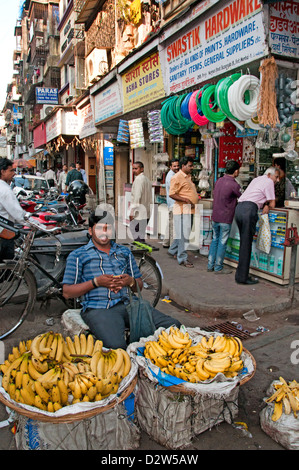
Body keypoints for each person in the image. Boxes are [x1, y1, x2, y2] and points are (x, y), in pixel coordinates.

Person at [62, 209, 181, 349]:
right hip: (98, 309)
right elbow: (67, 292)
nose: (104, 232)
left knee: (174, 327)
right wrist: (96, 282)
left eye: (108, 228)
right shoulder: (78, 256)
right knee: (117, 347)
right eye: (99, 227)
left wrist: (129, 281)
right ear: (90, 231)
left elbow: (139, 285)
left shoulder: (124, 252)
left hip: (129, 304)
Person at [234, 166, 279, 285]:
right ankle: (242, 277)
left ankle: (240, 275)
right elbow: (273, 203)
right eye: (276, 177)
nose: (277, 180)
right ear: (269, 175)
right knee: (246, 244)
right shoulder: (269, 181)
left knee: (244, 243)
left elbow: (259, 194)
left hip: (239, 209)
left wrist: (265, 203)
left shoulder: (256, 179)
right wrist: (268, 205)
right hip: (249, 210)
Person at [0, 158, 45, 261]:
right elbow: (19, 215)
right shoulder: (5, 190)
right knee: (7, 268)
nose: (13, 173)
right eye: (11, 170)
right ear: (2, 172)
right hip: (4, 233)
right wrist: (39, 226)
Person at [208, 160, 241, 274]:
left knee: (215, 240)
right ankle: (218, 267)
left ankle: (210, 265)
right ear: (236, 171)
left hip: (216, 216)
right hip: (225, 217)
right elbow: (242, 197)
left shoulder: (219, 181)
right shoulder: (234, 184)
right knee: (222, 242)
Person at [168, 156, 199, 268]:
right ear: (183, 166)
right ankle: (182, 258)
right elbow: (172, 193)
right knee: (184, 235)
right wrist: (186, 200)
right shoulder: (177, 177)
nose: (192, 167)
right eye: (190, 166)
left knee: (183, 234)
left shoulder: (188, 177)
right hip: (182, 210)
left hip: (189, 210)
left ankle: (172, 250)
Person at [129, 161, 152, 242]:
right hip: (146, 211)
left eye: (136, 168)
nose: (134, 170)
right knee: (140, 233)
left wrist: (132, 211)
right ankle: (142, 251)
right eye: (133, 169)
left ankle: (140, 251)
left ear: (142, 169)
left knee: (136, 232)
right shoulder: (147, 180)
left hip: (139, 212)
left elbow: (137, 197)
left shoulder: (139, 179)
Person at [162, 159, 180, 248]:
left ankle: (166, 242)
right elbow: (174, 192)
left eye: (177, 165)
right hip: (174, 204)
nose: (176, 167)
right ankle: (173, 246)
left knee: (170, 224)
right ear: (170, 167)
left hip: (171, 204)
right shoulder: (172, 177)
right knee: (174, 227)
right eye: (174, 166)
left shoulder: (172, 175)